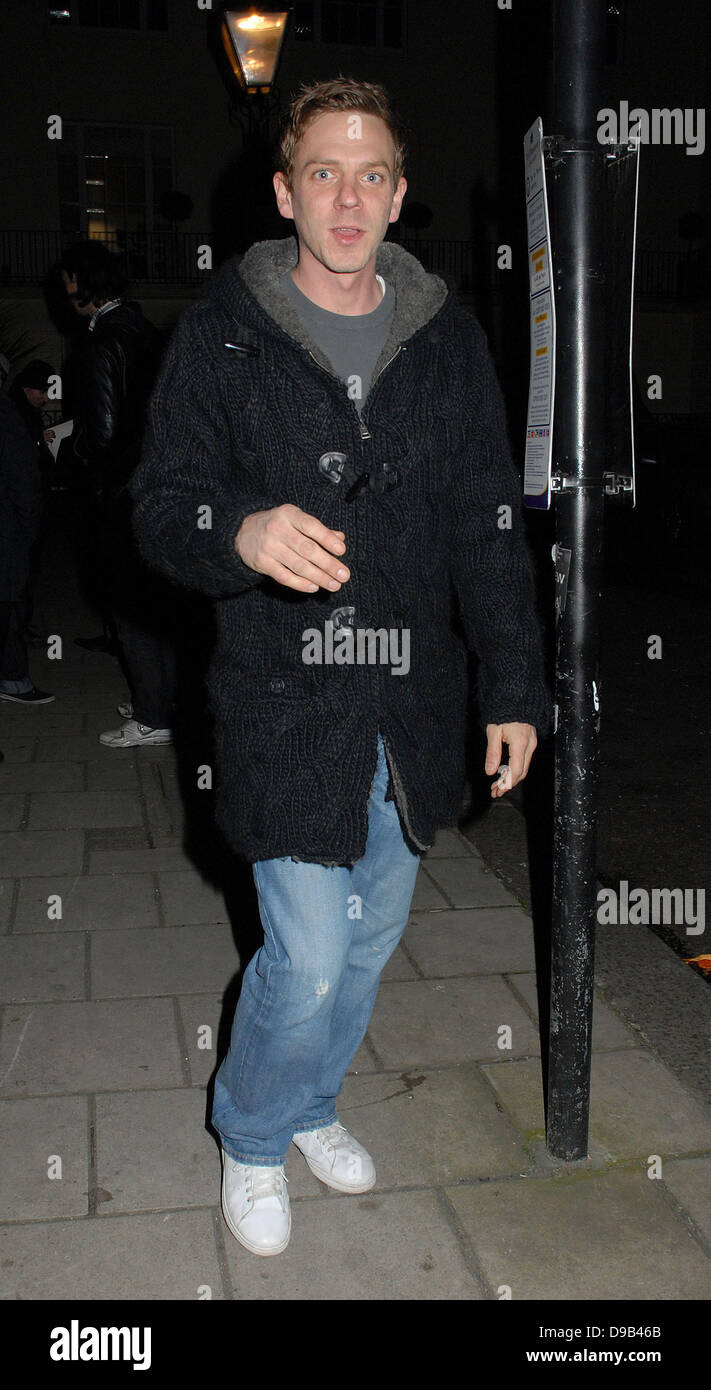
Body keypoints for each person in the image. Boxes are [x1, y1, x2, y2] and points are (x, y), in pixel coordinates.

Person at [132, 78, 552, 1257]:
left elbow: (485, 522)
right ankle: (255, 1134)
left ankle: (315, 1104)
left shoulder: (449, 338)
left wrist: (516, 689)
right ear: (284, 191)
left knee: (366, 942)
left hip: (413, 704)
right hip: (283, 702)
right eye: (325, 170)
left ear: (402, 194)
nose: (350, 194)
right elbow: (157, 508)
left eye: (373, 173)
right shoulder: (223, 331)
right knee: (308, 954)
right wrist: (241, 533)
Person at [60, 241, 175, 746]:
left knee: (130, 608)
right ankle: (160, 701)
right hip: (156, 486)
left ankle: (154, 717)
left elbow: (105, 435)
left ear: (85, 282)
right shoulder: (143, 331)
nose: (64, 291)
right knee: (153, 605)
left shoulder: (102, 341)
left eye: (69, 280)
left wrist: (72, 450)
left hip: (124, 492)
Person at [0, 383, 54, 704]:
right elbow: (23, 476)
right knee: (9, 602)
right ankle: (12, 679)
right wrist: (30, 526)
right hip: (8, 528)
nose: (45, 398)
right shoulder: (7, 412)